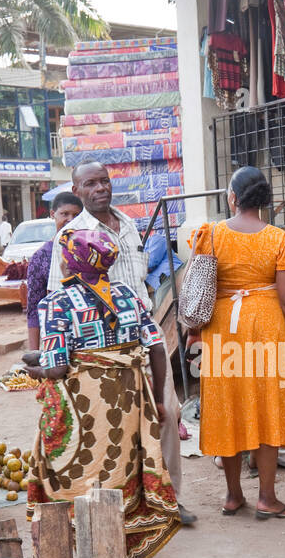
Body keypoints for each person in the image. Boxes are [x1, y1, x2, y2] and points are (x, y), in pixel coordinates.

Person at [47, 160, 197, 525]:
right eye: (91, 184)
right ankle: (121, 511)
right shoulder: (71, 235)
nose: (100, 188)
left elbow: (140, 280)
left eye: (104, 181)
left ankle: (169, 498)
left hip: (144, 333)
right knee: (117, 430)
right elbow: (57, 294)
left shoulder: (128, 224)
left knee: (167, 414)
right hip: (102, 353)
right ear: (77, 189)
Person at [21, 228, 180, 558]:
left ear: (72, 262)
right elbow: (155, 345)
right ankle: (117, 549)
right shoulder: (128, 296)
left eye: (64, 255)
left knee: (74, 470)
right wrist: (159, 395)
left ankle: (88, 553)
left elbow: (58, 367)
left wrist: (34, 369)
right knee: (118, 466)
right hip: (127, 400)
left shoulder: (57, 303)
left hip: (83, 404)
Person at [187, 167, 285, 519]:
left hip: (221, 330)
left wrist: (194, 331)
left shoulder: (210, 234)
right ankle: (267, 497)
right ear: (265, 201)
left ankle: (232, 496)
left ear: (233, 197)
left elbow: (198, 285)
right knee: (266, 407)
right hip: (265, 329)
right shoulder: (280, 239)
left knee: (227, 406)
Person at [25, 191, 83, 351]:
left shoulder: (89, 252)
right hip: (56, 341)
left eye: (76, 215)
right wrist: (35, 353)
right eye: (64, 214)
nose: (70, 220)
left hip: (90, 336)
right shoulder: (41, 257)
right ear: (53, 214)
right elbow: (33, 310)